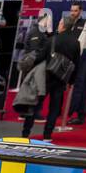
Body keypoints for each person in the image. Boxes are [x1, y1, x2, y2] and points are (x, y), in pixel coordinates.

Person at [16, 10, 53, 138]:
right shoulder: (36, 32)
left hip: (34, 66)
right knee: (32, 91)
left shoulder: (41, 32)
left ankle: (28, 113)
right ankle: (27, 114)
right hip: (33, 66)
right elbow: (34, 52)